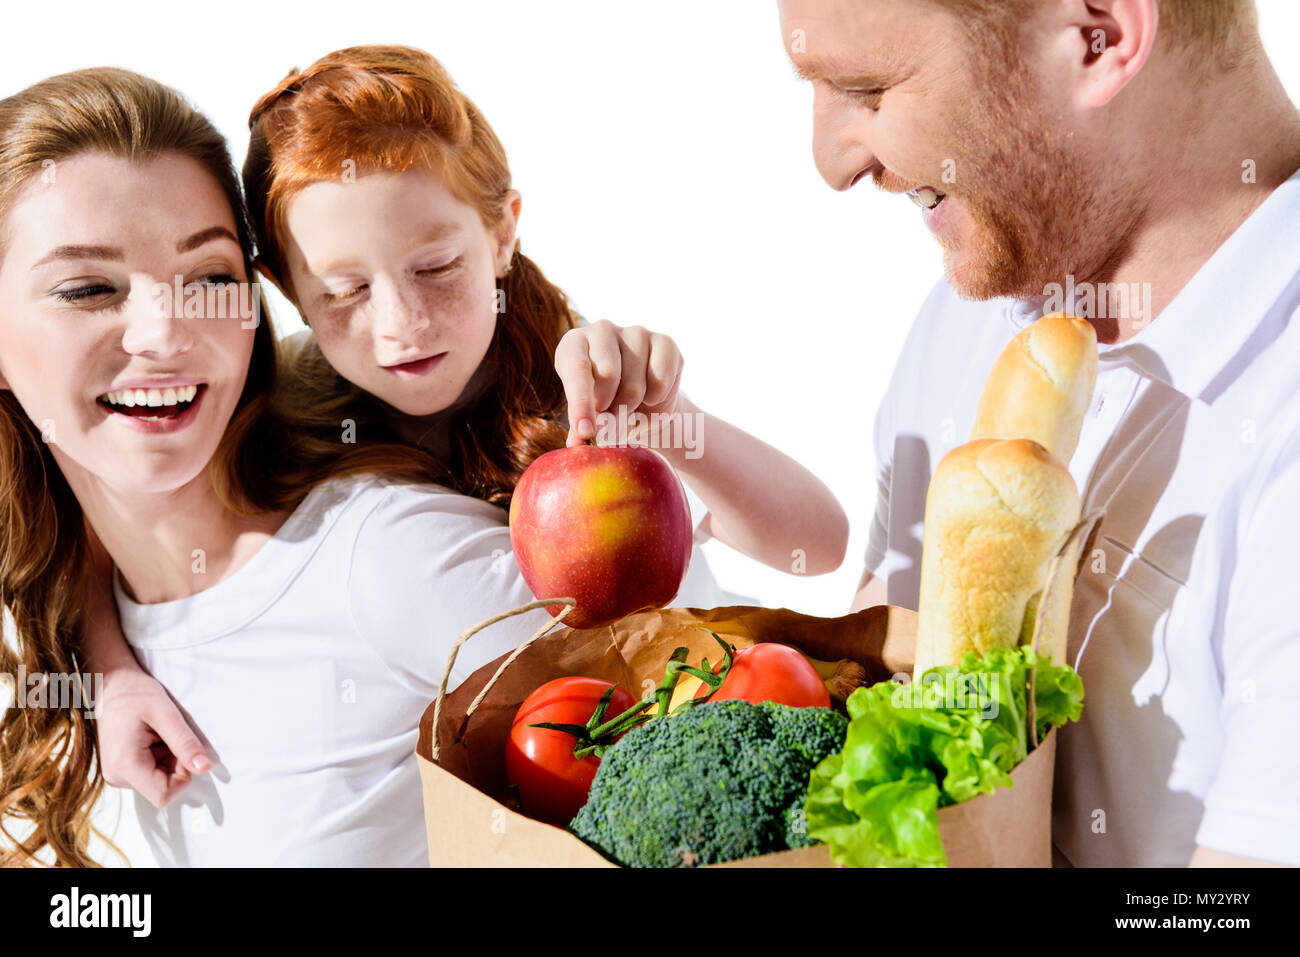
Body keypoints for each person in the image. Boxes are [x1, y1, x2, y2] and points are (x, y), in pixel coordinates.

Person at [73, 47, 851, 862]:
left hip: (703, 716)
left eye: (437, 267)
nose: (402, 321)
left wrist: (673, 421)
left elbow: (817, 544)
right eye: (344, 292)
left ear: (504, 230)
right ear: (282, 286)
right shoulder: (287, 401)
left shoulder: (576, 400)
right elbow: (112, 509)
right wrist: (109, 668)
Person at [780, 0, 1300, 866]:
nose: (831, 164)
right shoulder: (980, 300)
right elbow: (883, 667)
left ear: (1098, 38)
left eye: (866, 89)